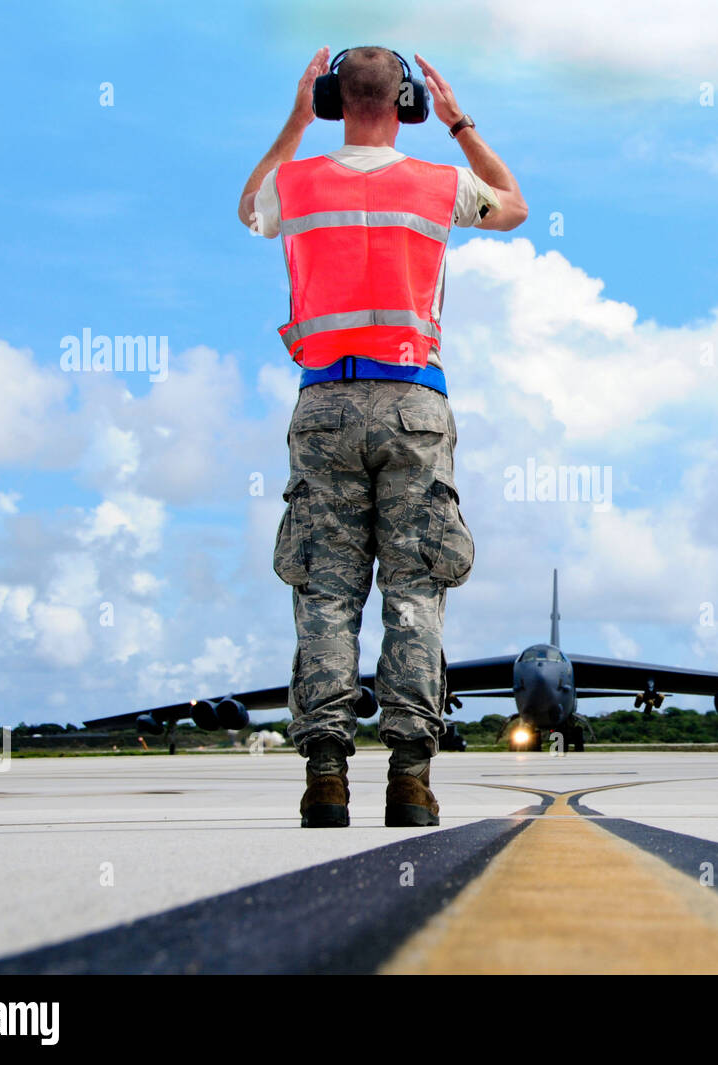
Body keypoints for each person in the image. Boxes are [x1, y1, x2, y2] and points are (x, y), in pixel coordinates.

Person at [237, 46, 527, 827]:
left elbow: (248, 207)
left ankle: (326, 776)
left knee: (326, 592)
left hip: (325, 404)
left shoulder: (294, 185)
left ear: (333, 99)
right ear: (407, 104)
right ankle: (410, 778)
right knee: (415, 590)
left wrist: (298, 120)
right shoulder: (439, 184)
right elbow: (514, 202)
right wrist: (460, 122)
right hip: (414, 403)